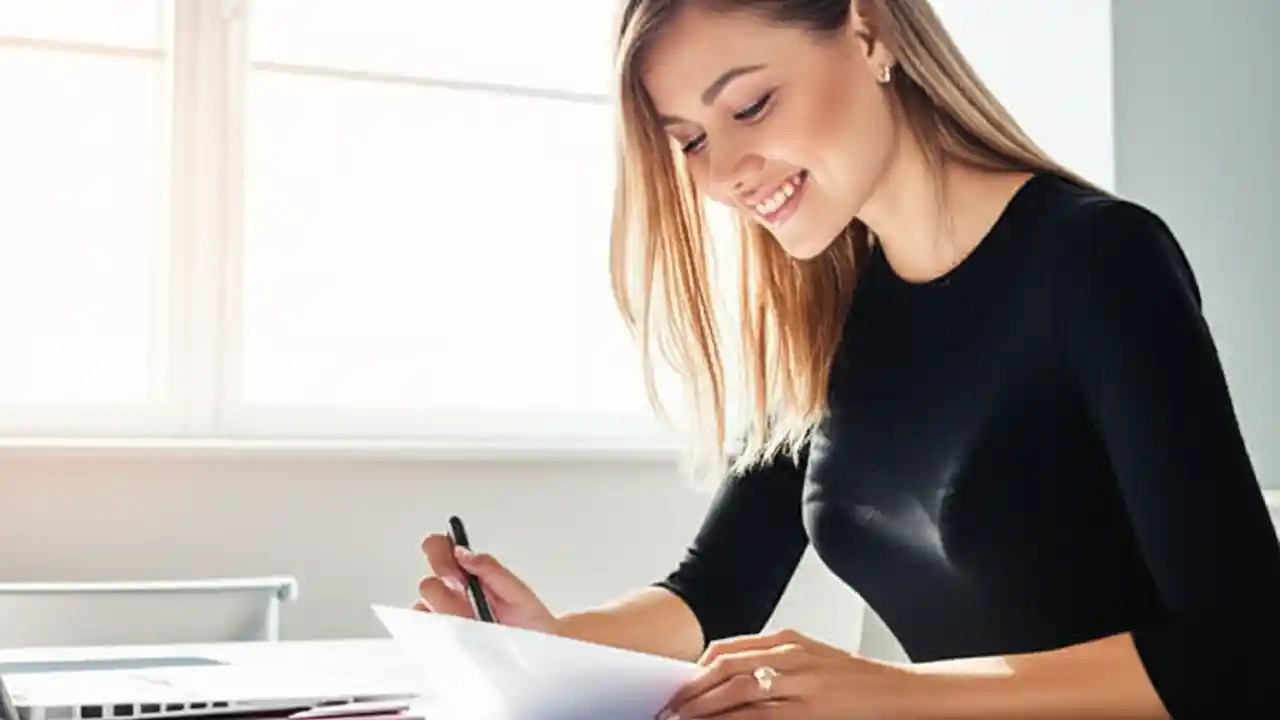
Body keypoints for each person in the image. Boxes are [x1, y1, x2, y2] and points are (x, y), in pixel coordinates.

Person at [415, 1, 1280, 716]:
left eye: (749, 106)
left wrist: (894, 695)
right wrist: (548, 644)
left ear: (870, 35)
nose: (724, 174)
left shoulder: (1098, 262)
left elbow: (1243, 656)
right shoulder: (826, 310)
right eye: (689, 140)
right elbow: (714, 592)